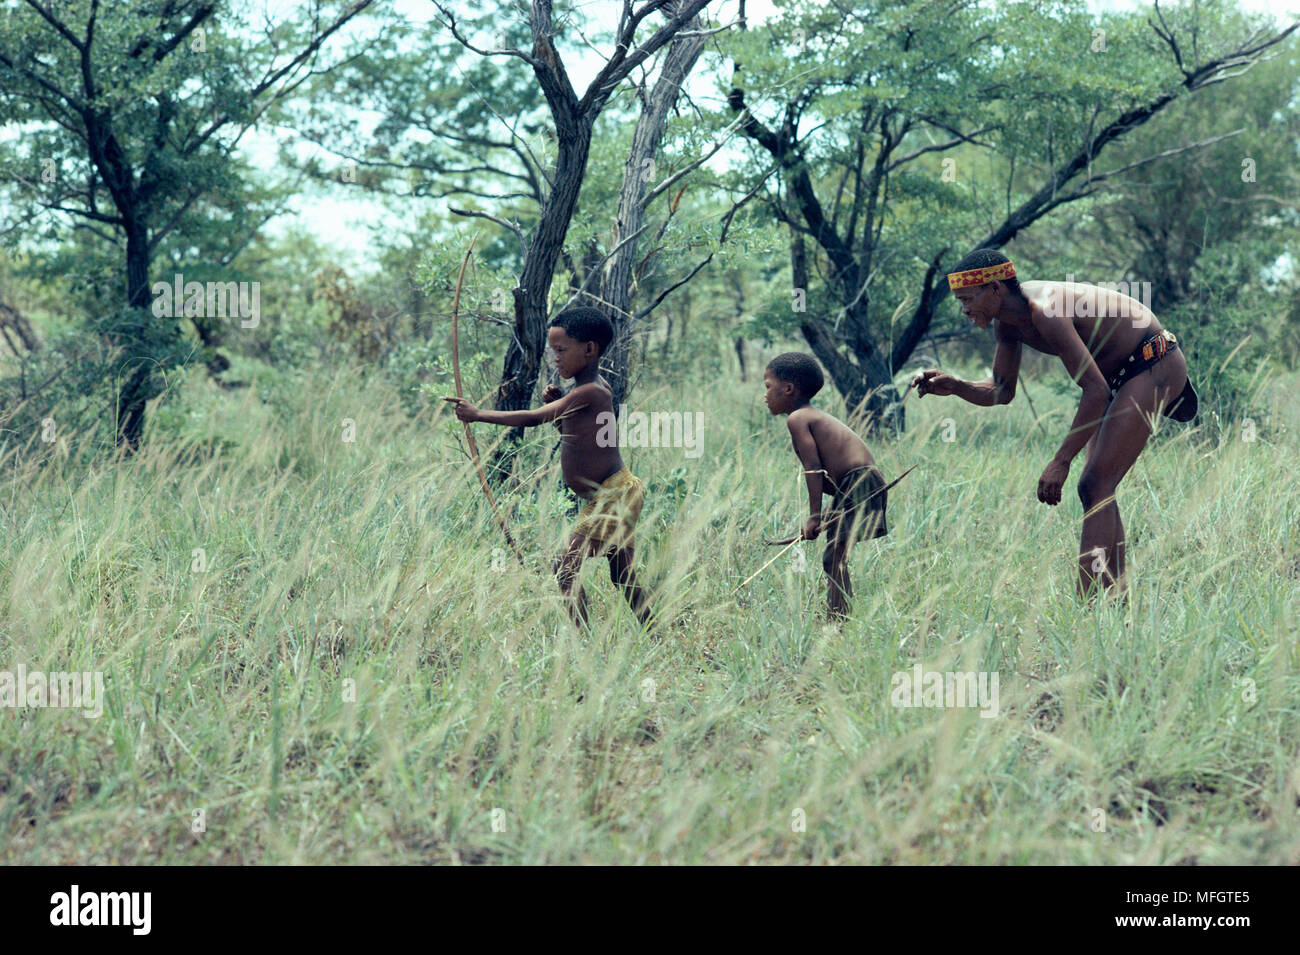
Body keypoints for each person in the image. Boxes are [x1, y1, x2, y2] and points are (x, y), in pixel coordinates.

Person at [911, 249, 1197, 597]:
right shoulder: (1007, 327)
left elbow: (1094, 390)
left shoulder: (1045, 312)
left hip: (1152, 362)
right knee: (1097, 489)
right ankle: (1114, 601)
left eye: (969, 299)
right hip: (1119, 378)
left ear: (996, 290)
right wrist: (956, 386)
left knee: (1095, 484)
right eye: (961, 301)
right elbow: (1001, 391)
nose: (965, 309)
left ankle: (1090, 607)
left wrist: (1061, 460)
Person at [446, 307, 654, 630]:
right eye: (553, 350)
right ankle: (654, 632)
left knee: (564, 566)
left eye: (561, 350)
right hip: (618, 492)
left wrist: (477, 414)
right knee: (621, 574)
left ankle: (585, 645)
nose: (555, 358)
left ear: (589, 349)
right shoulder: (587, 393)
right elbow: (580, 440)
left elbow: (532, 417)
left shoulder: (592, 392)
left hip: (614, 494)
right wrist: (562, 410)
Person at [763, 352, 888, 620]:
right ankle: (838, 615)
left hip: (859, 481)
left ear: (788, 389)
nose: (765, 395)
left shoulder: (797, 419)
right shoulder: (808, 416)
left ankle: (839, 619)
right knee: (835, 554)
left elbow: (814, 469)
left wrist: (815, 516)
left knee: (835, 556)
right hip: (857, 483)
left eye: (768, 387)